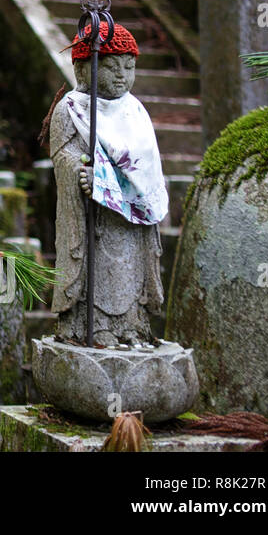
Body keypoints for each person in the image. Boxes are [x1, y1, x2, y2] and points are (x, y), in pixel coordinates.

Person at [47, 22, 168, 347]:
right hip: (94, 215)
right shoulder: (70, 109)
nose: (122, 77)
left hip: (130, 213)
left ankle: (132, 324)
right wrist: (82, 171)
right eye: (112, 67)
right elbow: (63, 155)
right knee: (99, 264)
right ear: (84, 70)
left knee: (130, 266)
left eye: (129, 68)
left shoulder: (135, 110)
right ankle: (96, 326)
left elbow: (147, 158)